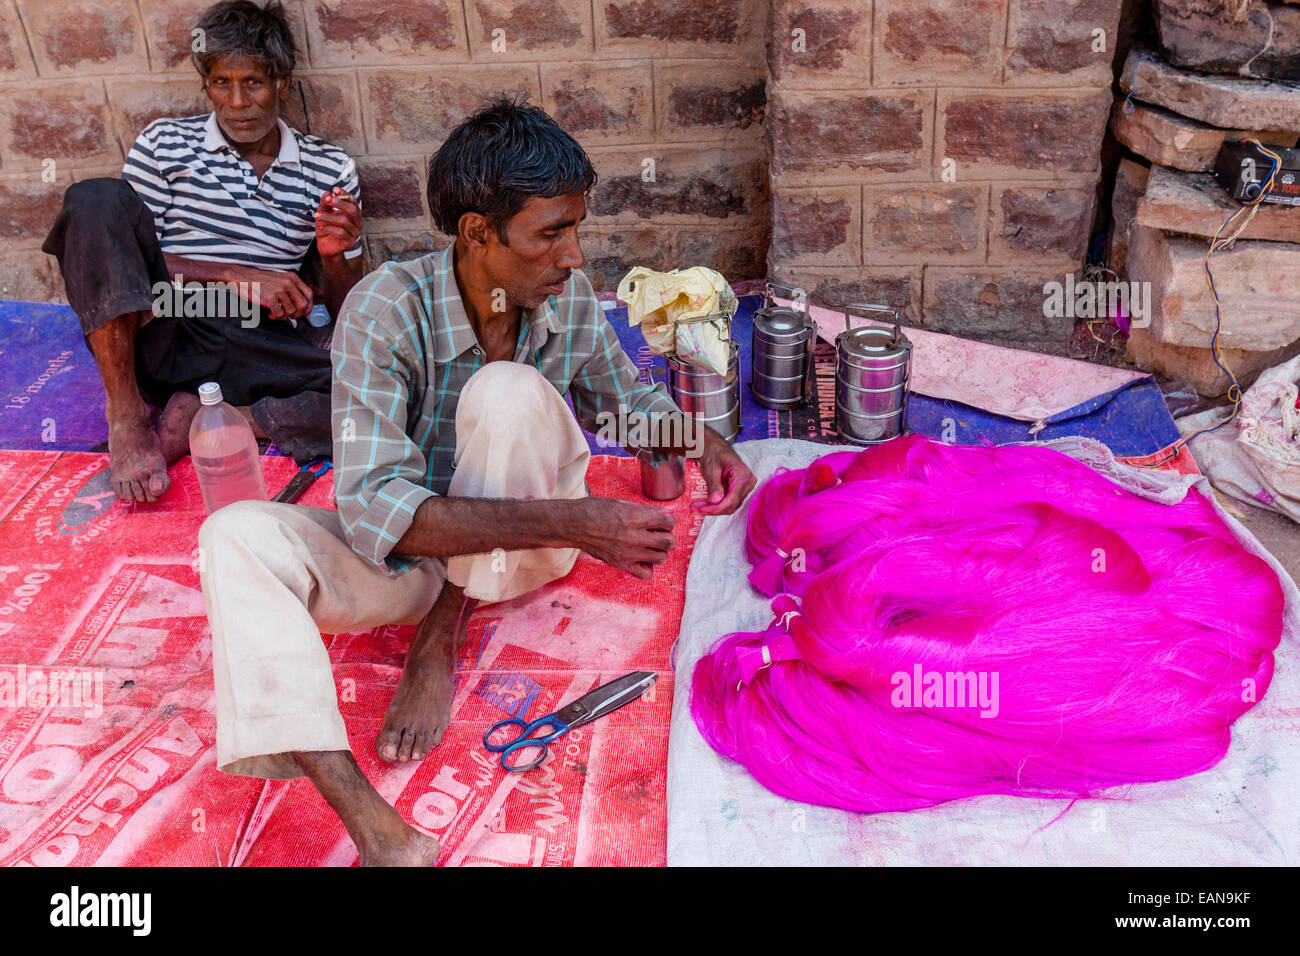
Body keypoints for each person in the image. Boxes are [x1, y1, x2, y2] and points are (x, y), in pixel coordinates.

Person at [197, 95, 757, 866]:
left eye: (575, 229)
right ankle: (366, 816)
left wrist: (703, 441)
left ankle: (443, 631)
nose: (572, 256)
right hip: (409, 561)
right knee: (232, 535)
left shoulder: (564, 305)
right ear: (477, 234)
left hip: (511, 559)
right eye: (550, 234)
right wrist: (575, 521)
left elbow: (624, 405)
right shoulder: (383, 310)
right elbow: (370, 513)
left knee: (507, 390)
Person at [41, 0, 364, 502]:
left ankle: (224, 415)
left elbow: (350, 311)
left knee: (378, 395)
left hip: (258, 342)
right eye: (221, 83)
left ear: (282, 81)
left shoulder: (329, 167)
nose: (237, 102)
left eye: (253, 82)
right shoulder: (165, 144)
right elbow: (123, 255)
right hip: (169, 320)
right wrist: (235, 276)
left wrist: (332, 256)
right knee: (94, 199)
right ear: (207, 85)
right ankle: (126, 414)